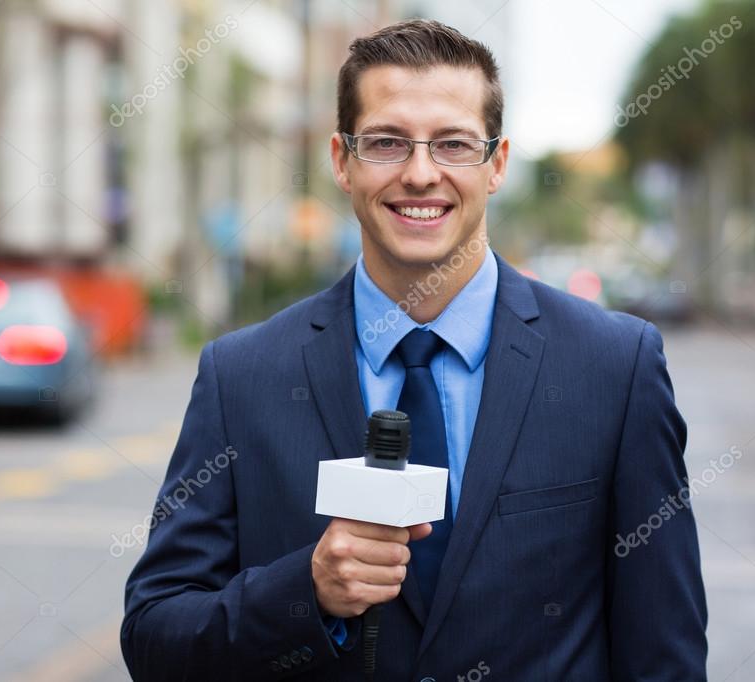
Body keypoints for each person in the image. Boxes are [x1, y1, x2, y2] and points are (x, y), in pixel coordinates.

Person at [121, 18, 707, 681]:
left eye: (453, 144)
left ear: (497, 164)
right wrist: (303, 591)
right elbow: (154, 638)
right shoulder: (242, 375)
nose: (421, 173)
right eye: (386, 143)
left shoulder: (614, 367)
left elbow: (665, 654)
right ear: (342, 162)